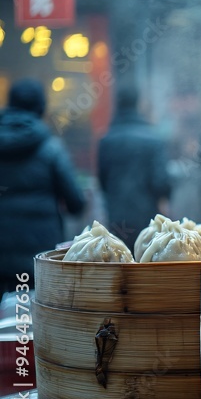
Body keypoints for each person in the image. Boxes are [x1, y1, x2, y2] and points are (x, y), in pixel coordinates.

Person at [0, 79, 86, 292]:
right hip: (39, 257)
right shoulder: (51, 149)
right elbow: (76, 203)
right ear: (41, 107)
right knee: (30, 320)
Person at [98, 85, 172, 249]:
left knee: (119, 265)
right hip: (147, 220)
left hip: (116, 220)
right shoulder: (153, 140)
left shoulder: (106, 141)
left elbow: (102, 182)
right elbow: (161, 182)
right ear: (138, 104)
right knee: (144, 265)